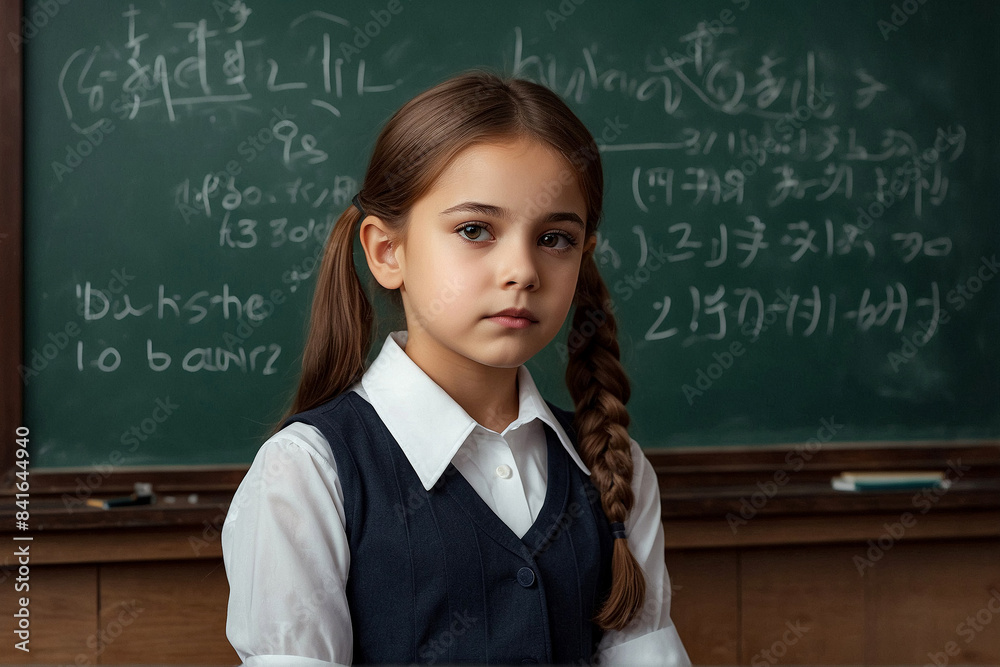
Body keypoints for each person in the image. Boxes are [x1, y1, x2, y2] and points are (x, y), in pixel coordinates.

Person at [222, 68, 692, 666]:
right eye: (475, 230)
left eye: (555, 239)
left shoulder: (616, 471)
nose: (522, 270)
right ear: (387, 252)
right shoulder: (309, 473)